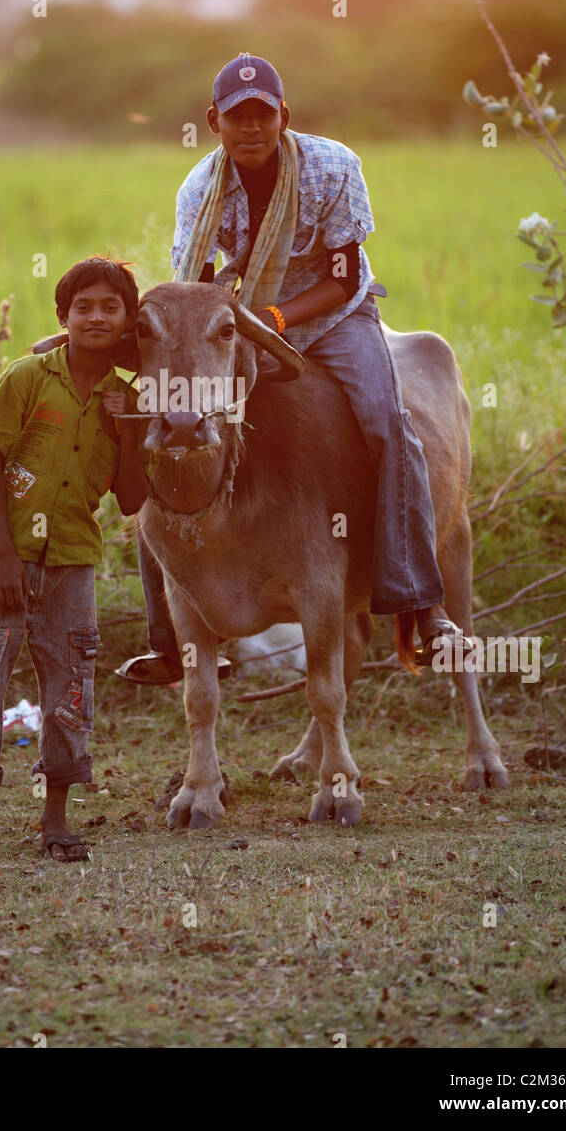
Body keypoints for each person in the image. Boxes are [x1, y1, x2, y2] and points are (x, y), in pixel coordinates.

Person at [116, 52, 468, 686]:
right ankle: (170, 639)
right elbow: (195, 290)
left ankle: (422, 598)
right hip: (237, 326)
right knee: (164, 425)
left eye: (263, 116)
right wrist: (194, 356)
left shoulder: (334, 165)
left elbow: (344, 277)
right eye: (236, 117)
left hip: (334, 320)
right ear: (213, 121)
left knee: (388, 423)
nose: (250, 128)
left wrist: (275, 320)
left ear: (284, 116)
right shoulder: (200, 188)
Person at [0, 257, 147, 865]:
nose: (95, 316)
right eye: (83, 307)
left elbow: (130, 500)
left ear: (126, 321)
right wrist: (3, 555)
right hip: (7, 555)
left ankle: (56, 821)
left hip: (73, 561)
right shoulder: (26, 376)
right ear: (62, 316)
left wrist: (129, 435)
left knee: (71, 683)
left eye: (110, 307)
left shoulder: (126, 399)